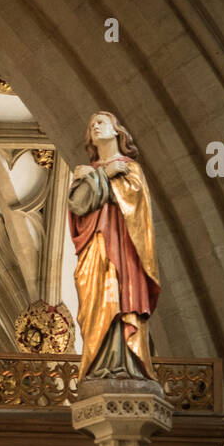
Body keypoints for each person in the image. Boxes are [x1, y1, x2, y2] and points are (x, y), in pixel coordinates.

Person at [68, 111, 160, 382]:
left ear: (117, 131)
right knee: (96, 301)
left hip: (123, 250)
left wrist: (102, 182)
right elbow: (79, 204)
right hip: (94, 248)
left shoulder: (132, 170)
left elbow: (137, 212)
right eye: (91, 124)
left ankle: (127, 364)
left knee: (122, 301)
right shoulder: (86, 172)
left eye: (101, 122)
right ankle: (98, 364)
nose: (95, 126)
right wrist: (104, 176)